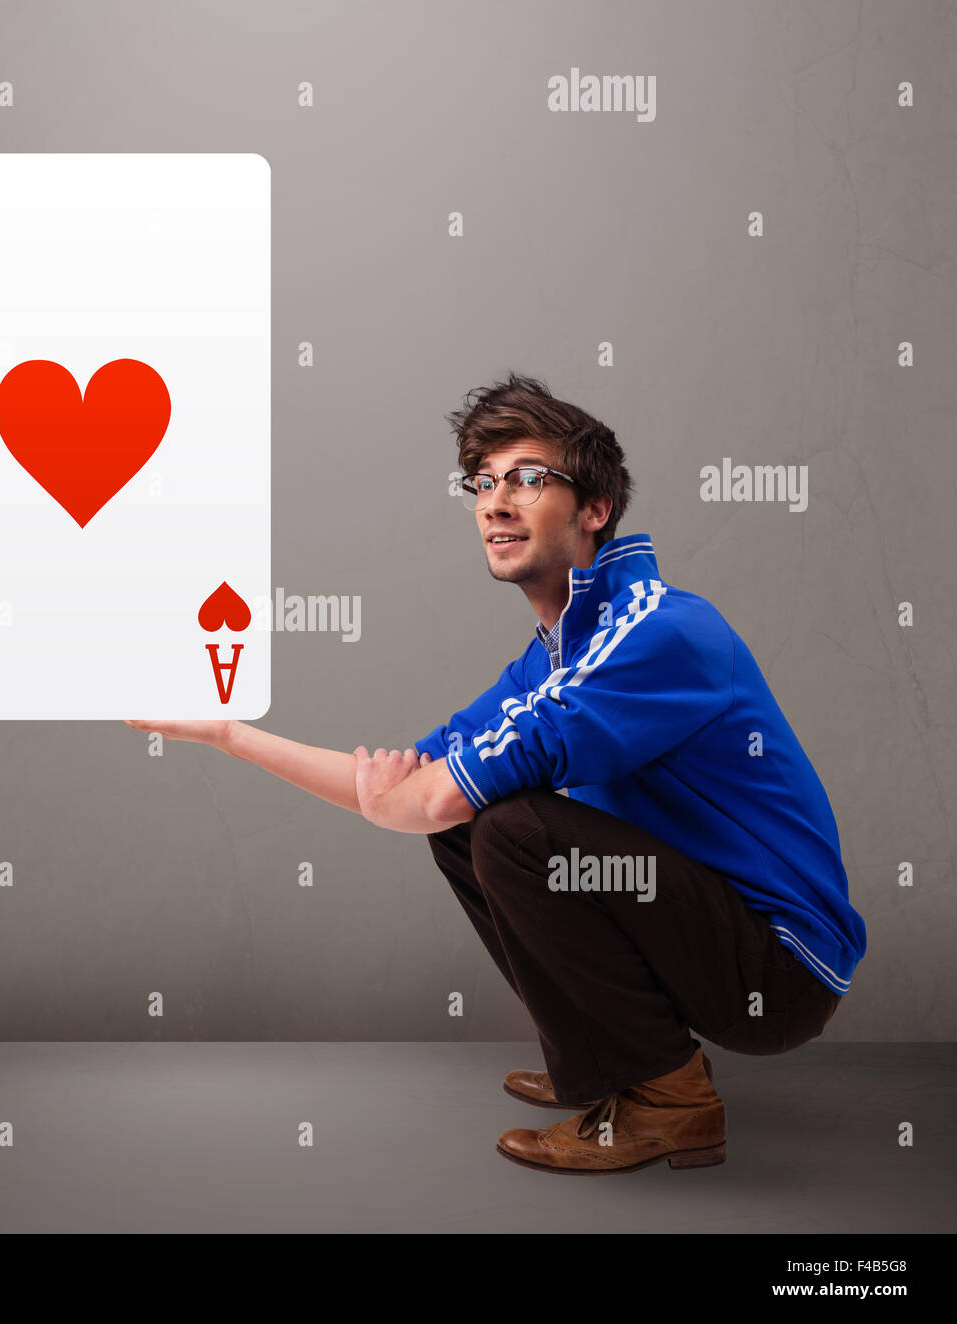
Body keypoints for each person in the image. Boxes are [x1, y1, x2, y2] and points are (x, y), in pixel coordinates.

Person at [124, 372, 866, 1177]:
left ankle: (670, 1102)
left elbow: (430, 792)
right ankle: (609, 1057)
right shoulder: (550, 660)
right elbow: (414, 783)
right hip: (704, 935)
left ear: (595, 510)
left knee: (510, 828)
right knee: (469, 829)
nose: (493, 502)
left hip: (779, 967)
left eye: (528, 479)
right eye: (481, 483)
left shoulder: (659, 631)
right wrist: (231, 735)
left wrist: (412, 799)